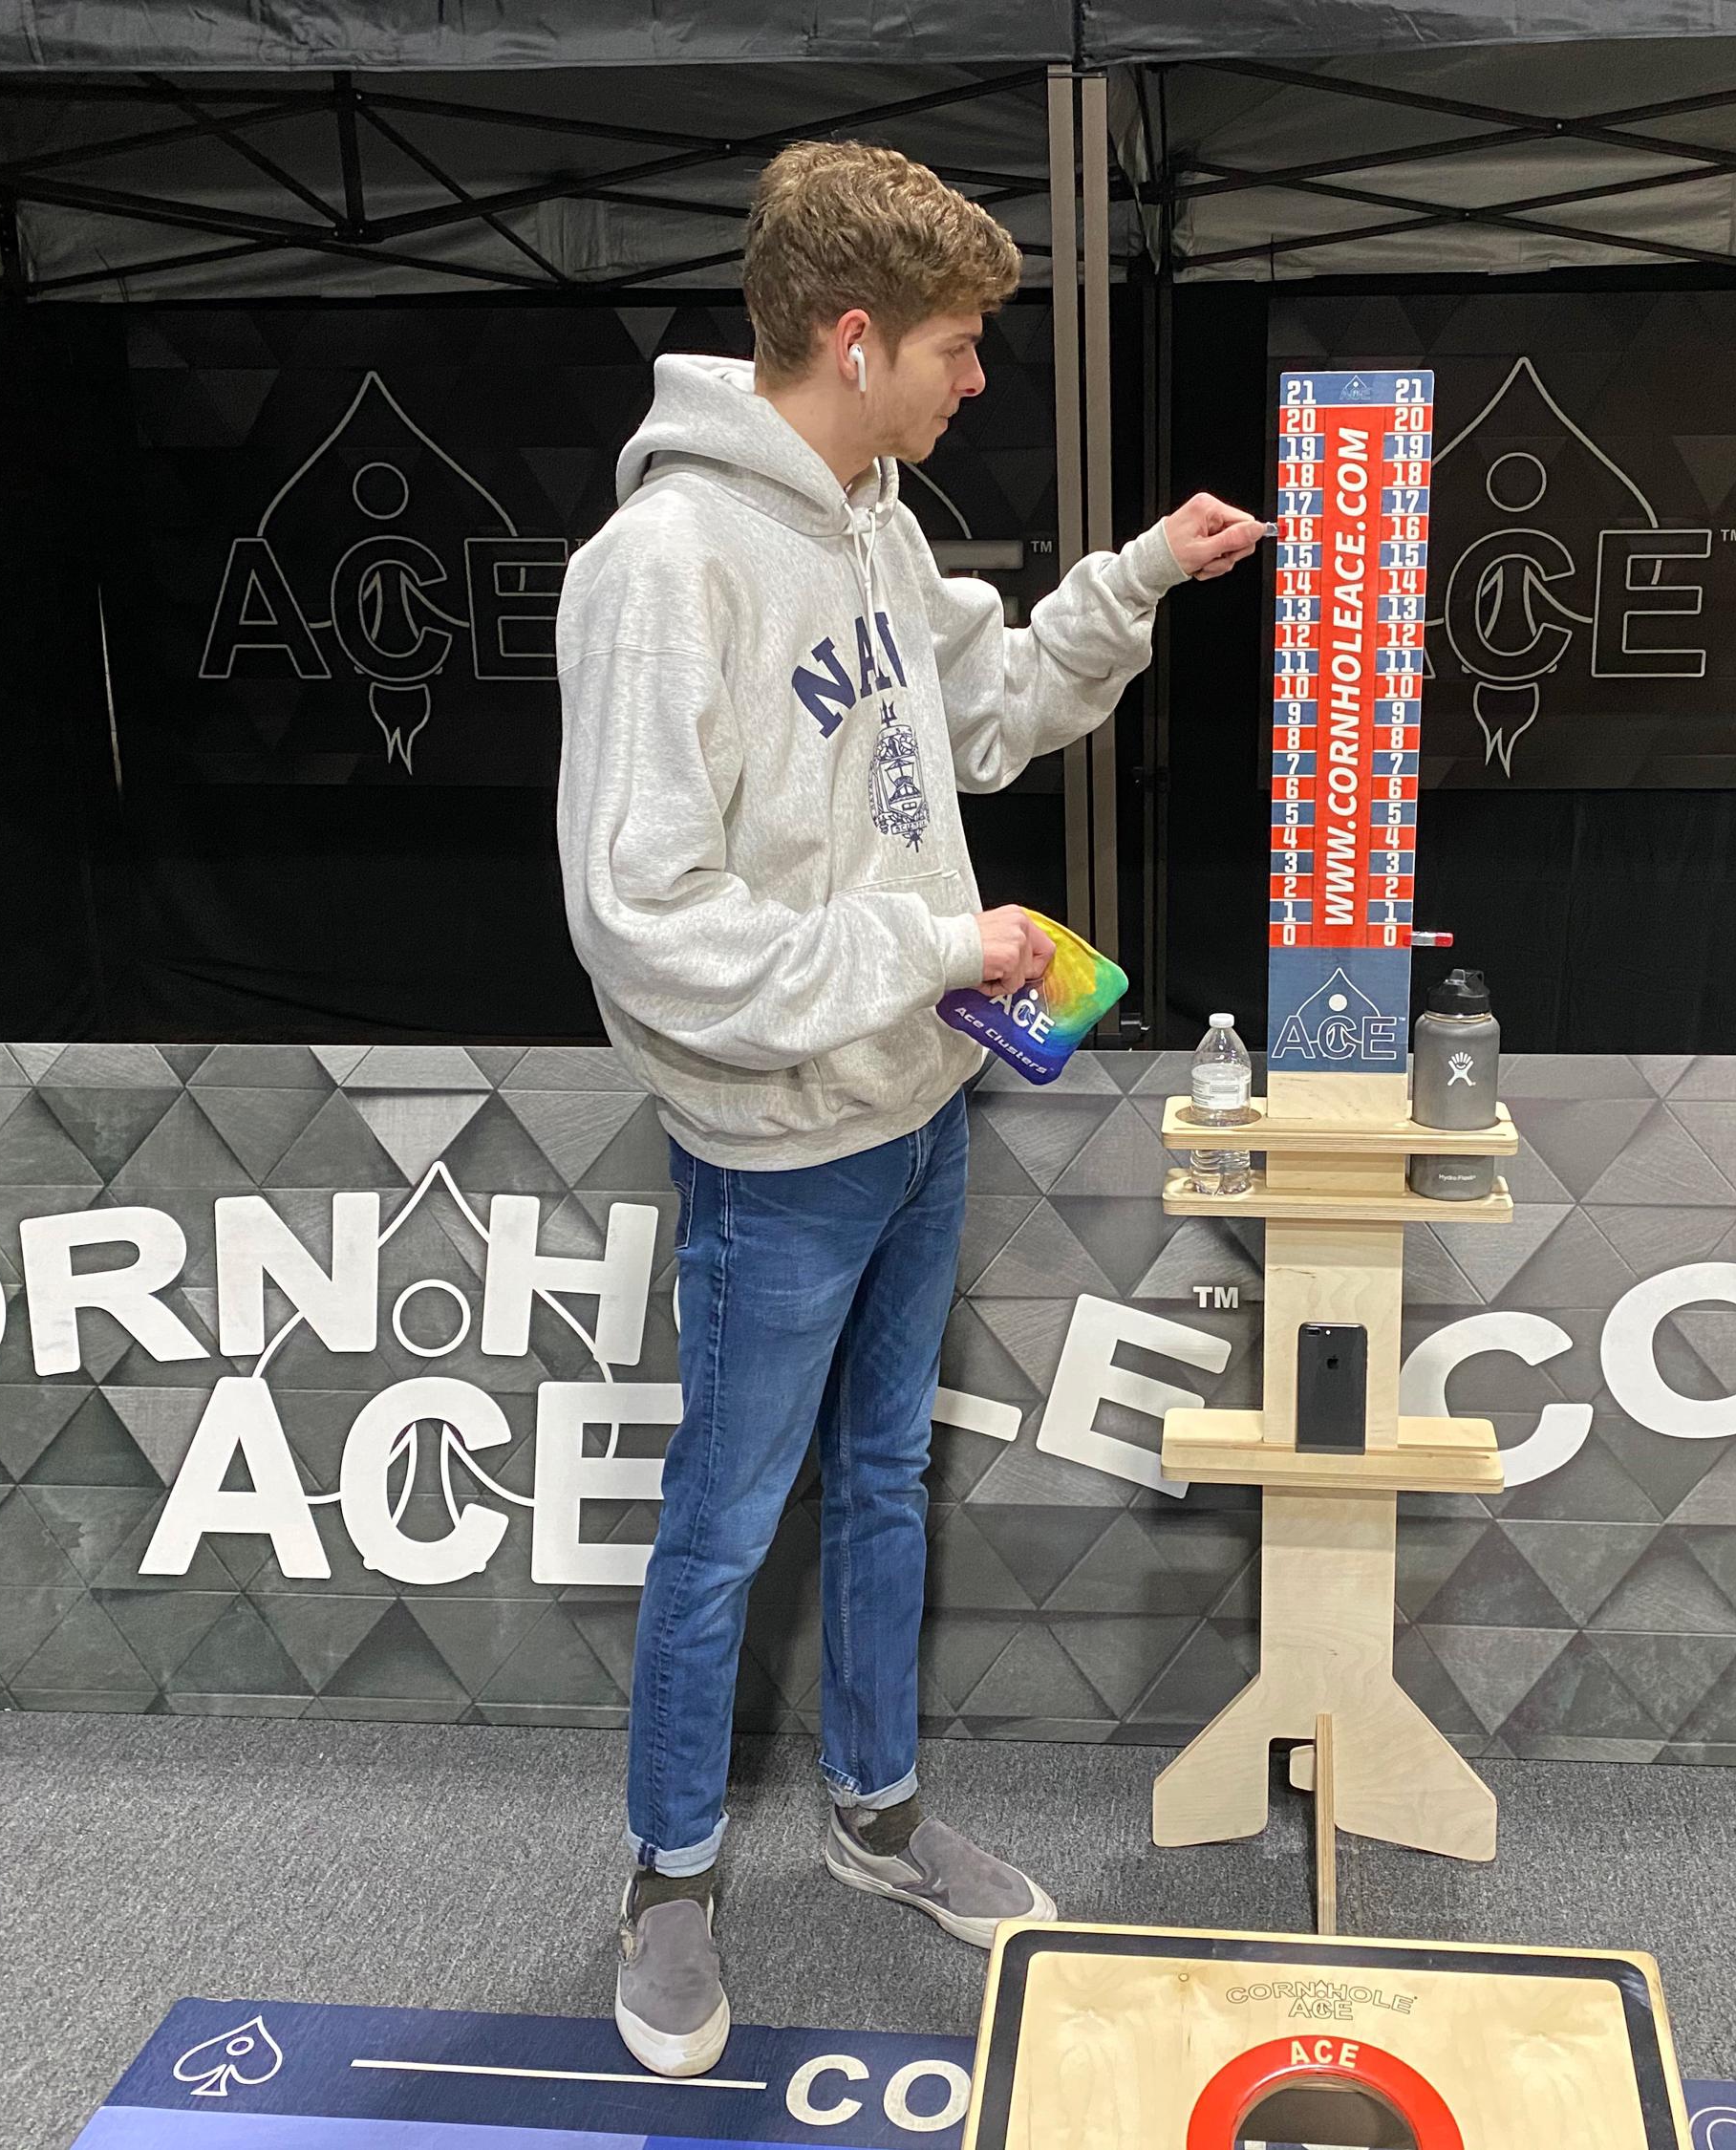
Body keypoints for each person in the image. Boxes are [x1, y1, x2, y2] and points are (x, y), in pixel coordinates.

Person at [552, 139, 1263, 2078]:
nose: (974, 384)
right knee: (722, 1524)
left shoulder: (867, 521)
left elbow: (989, 706)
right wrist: (934, 947)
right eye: (956, 349)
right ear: (853, 342)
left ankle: (871, 1818)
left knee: (882, 1480)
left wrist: (1139, 577)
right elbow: (642, 924)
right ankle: (670, 1880)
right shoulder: (667, 570)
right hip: (776, 1155)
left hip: (920, 1114)